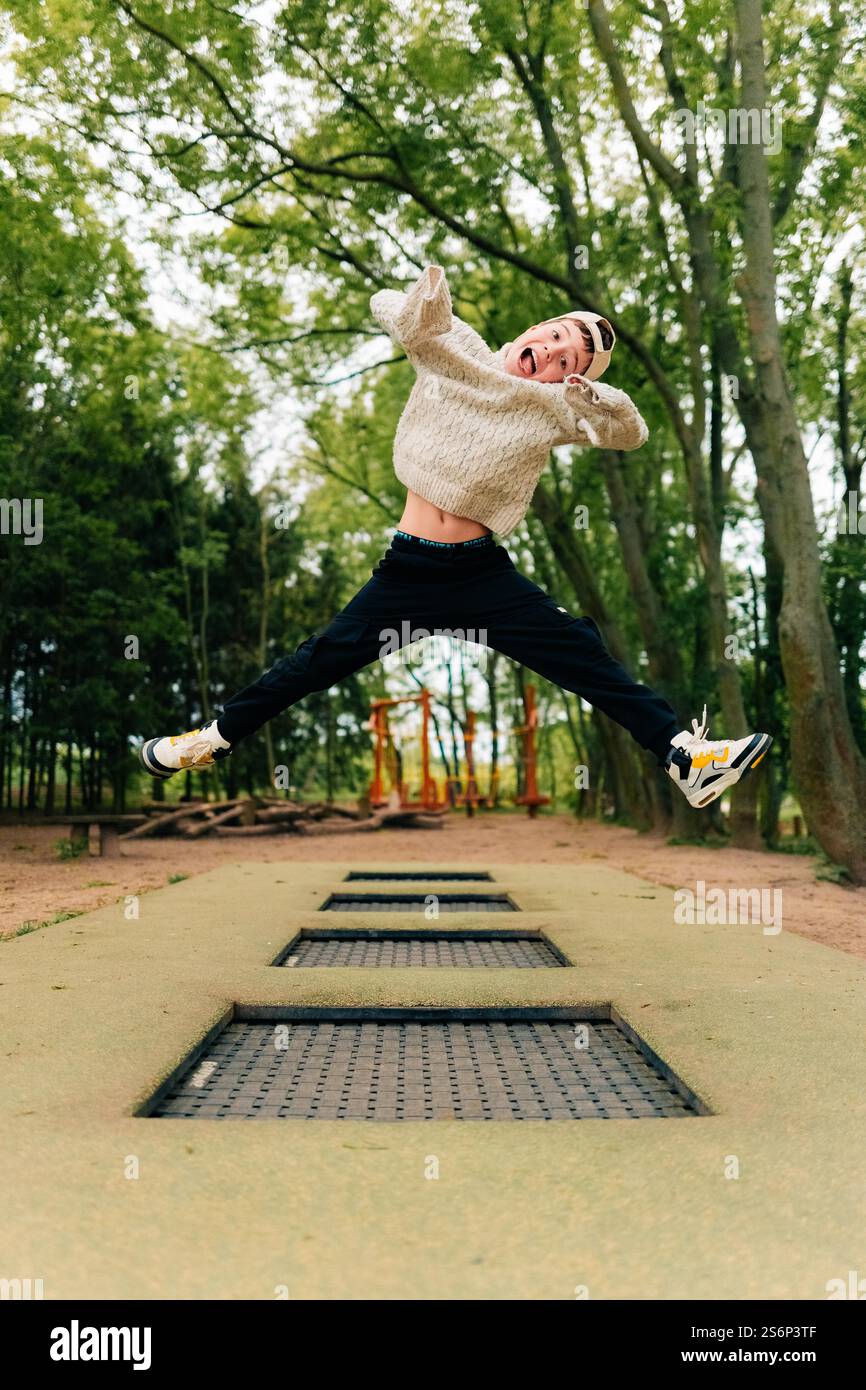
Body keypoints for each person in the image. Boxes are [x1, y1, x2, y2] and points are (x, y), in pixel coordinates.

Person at [140, 265, 770, 809]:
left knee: (581, 651)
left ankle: (685, 758)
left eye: (566, 361)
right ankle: (208, 740)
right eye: (552, 338)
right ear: (532, 331)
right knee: (316, 661)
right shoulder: (458, 346)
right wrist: (425, 302)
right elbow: (389, 308)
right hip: (409, 573)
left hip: (480, 577)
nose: (550, 355)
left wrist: (591, 392)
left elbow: (629, 433)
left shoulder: (552, 406)